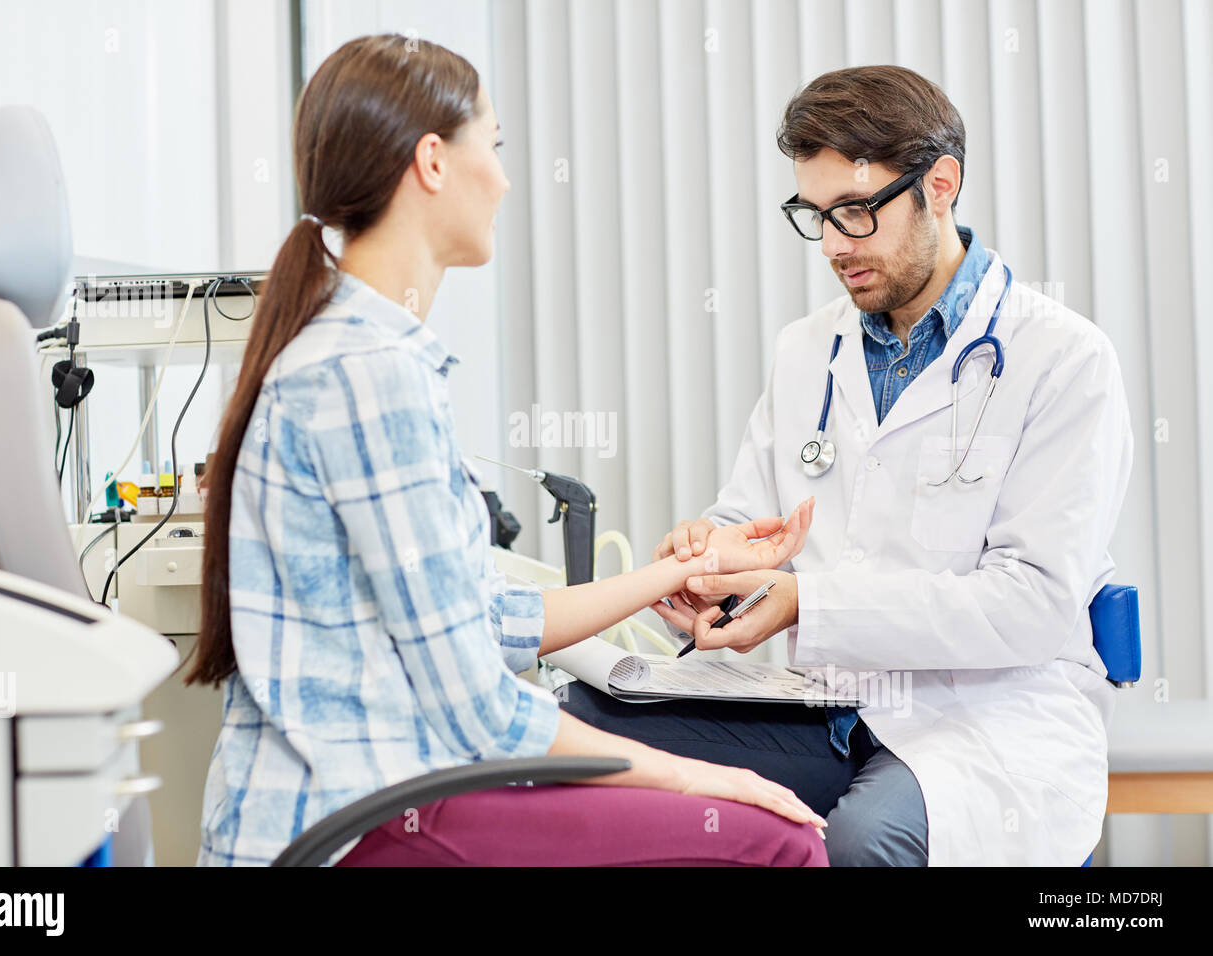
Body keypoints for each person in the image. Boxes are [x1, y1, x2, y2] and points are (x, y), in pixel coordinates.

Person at [184, 33, 827, 867]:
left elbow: (487, 622)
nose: (507, 178)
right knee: (774, 844)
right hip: (357, 820)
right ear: (432, 163)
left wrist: (680, 573)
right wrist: (692, 778)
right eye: (493, 146)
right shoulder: (370, 374)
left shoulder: (358, 350)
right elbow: (481, 707)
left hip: (377, 794)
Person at [563, 65, 1133, 866]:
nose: (833, 245)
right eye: (815, 215)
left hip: (986, 725)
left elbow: (1031, 607)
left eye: (857, 212)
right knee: (581, 733)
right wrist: (708, 566)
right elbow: (748, 518)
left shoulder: (1064, 360)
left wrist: (806, 604)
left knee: (866, 843)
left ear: (941, 185)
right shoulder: (808, 349)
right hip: (827, 708)